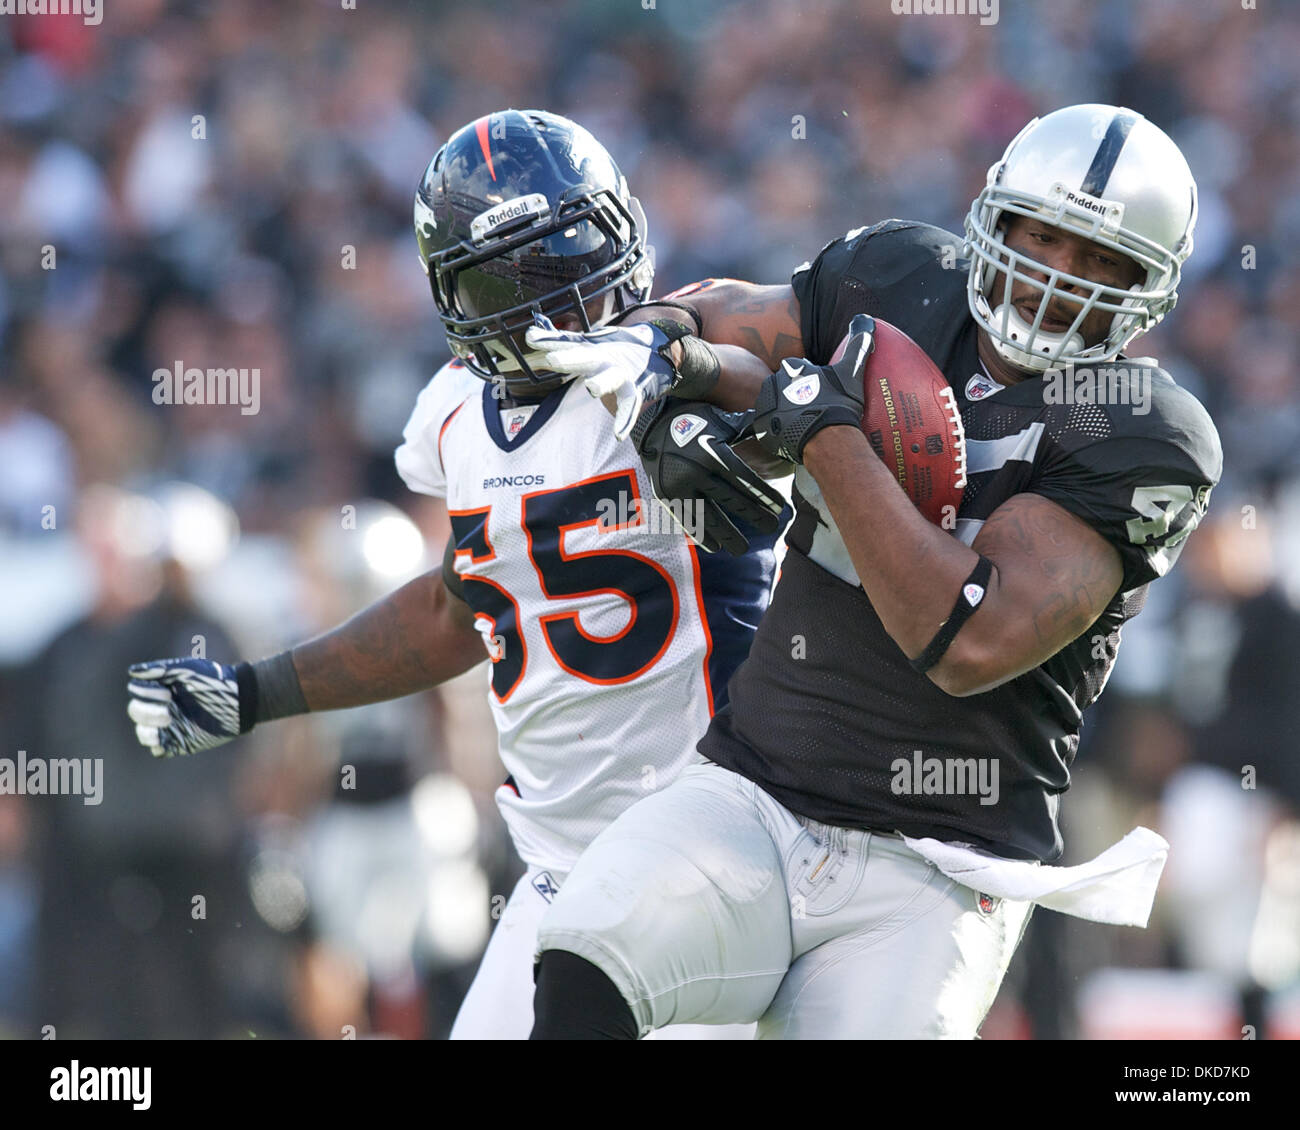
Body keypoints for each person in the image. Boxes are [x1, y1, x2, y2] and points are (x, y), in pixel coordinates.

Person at [521, 103, 1223, 1039]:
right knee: (584, 959)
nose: (1062, 276)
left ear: (1150, 286)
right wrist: (658, 361)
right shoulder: (901, 279)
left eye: (1103, 261)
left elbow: (967, 637)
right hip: (755, 794)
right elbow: (721, 318)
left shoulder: (1141, 429)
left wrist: (828, 434)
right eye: (1047, 236)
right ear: (997, 218)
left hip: (938, 871)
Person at [125, 110, 783, 1039]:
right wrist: (252, 693)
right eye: (516, 272)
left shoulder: (683, 361)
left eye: (572, 247)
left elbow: (811, 355)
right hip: (562, 865)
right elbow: (453, 608)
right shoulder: (454, 416)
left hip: (712, 844)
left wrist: (702, 367)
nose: (561, 289)